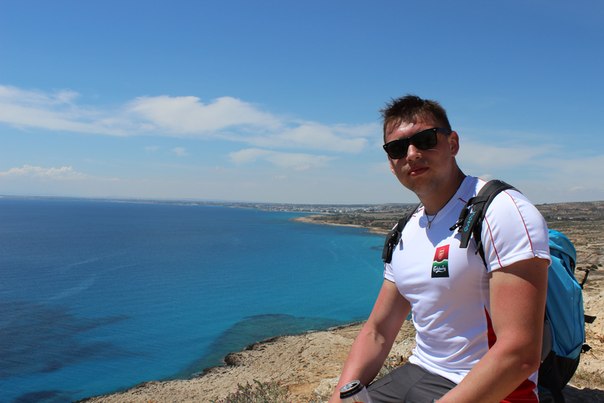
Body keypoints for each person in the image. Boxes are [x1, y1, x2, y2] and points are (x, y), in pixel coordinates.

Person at [330, 95, 551, 403]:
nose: (411, 154)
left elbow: (520, 353)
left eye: (425, 140)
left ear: (452, 143)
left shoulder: (502, 212)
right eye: (397, 149)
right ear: (391, 164)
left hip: (493, 388)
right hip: (420, 372)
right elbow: (378, 331)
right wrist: (341, 396)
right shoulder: (404, 231)